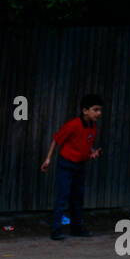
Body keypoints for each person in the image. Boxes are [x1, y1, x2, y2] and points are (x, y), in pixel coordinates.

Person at [41, 94, 102, 240]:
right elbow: (56, 140)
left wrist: (92, 152)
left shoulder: (93, 127)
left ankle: (76, 228)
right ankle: (56, 229)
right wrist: (48, 159)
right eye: (95, 110)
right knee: (62, 196)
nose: (99, 113)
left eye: (100, 110)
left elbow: (84, 144)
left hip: (80, 165)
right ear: (85, 111)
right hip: (67, 164)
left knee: (77, 197)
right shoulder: (73, 125)